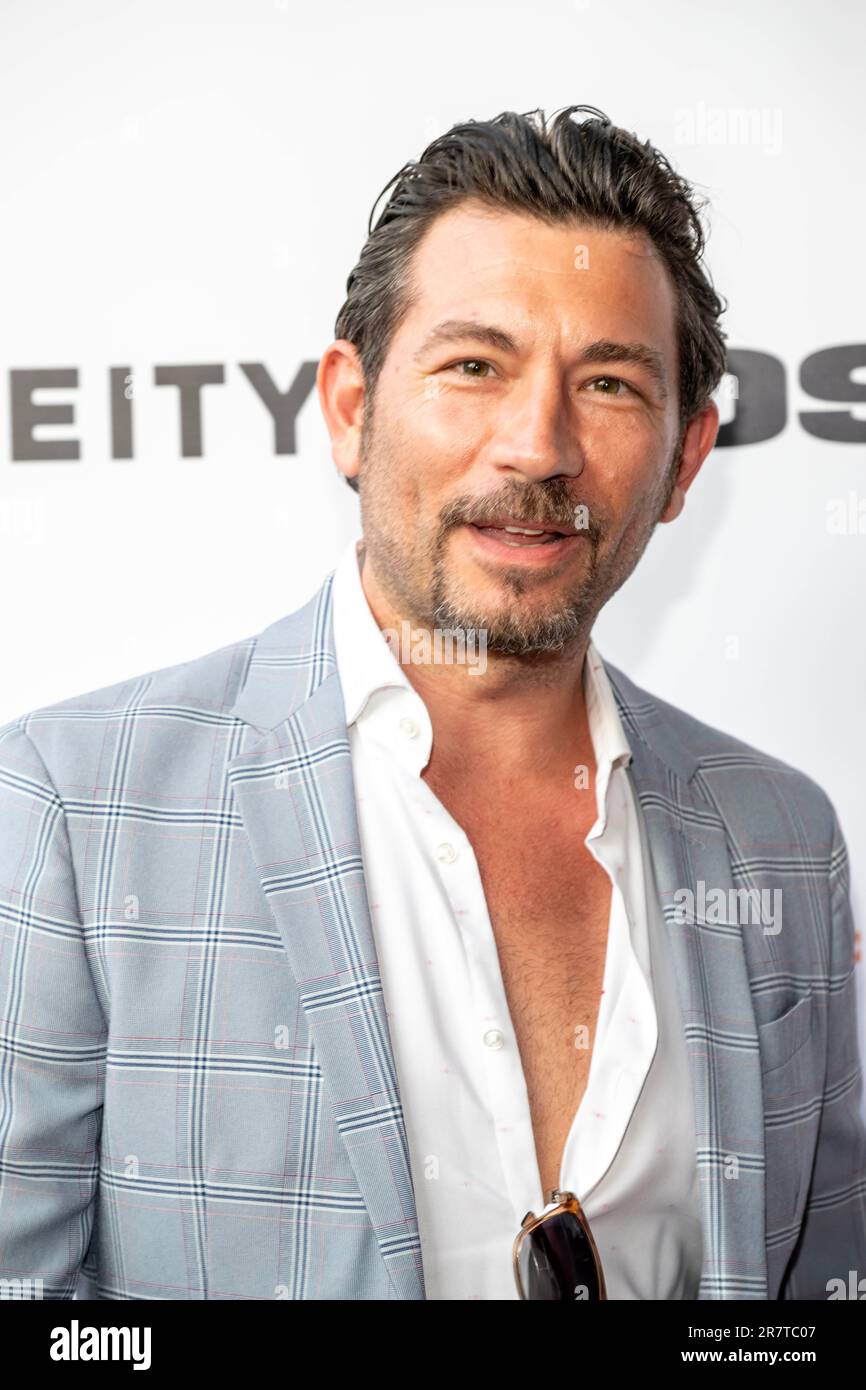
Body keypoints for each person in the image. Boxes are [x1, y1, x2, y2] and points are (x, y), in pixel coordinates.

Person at [0, 105, 863, 1301]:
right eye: (473, 365)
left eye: (607, 382)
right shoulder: (75, 808)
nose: (536, 446)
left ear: (684, 459)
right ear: (352, 407)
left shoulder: (779, 833)